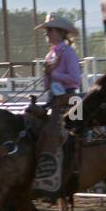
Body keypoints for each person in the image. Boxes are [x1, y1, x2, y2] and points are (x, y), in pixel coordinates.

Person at [32, 14, 83, 194]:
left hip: (69, 100)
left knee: (62, 133)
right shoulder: (51, 54)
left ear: (60, 32)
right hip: (55, 100)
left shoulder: (67, 52)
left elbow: (75, 80)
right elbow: (48, 85)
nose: (47, 33)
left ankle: (68, 173)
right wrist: (48, 75)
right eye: (47, 30)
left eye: (50, 30)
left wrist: (54, 74)